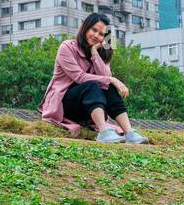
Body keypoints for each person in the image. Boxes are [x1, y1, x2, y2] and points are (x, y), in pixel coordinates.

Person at [39, 13, 149, 144]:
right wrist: (112, 79)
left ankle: (129, 132)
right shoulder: (67, 47)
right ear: (86, 28)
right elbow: (80, 77)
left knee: (108, 86)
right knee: (93, 84)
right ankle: (103, 133)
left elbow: (106, 79)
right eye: (94, 30)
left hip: (88, 108)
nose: (96, 35)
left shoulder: (101, 53)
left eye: (102, 34)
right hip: (63, 105)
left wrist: (95, 53)